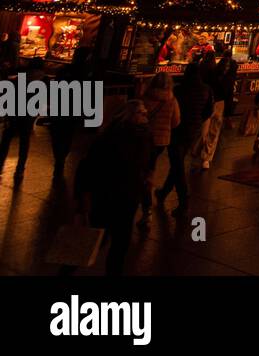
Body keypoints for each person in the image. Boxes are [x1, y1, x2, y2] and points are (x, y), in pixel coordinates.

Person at [74, 100, 152, 276]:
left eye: (145, 112)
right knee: (98, 239)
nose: (145, 116)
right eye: (141, 113)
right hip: (108, 196)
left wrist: (145, 176)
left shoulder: (144, 137)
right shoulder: (111, 138)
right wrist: (83, 199)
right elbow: (87, 168)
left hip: (126, 197)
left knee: (119, 243)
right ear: (129, 115)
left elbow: (144, 163)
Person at [157, 61, 212, 215]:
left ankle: (183, 200)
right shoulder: (206, 90)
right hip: (192, 130)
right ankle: (164, 193)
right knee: (178, 162)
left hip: (177, 129)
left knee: (177, 164)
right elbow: (208, 111)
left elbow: (172, 110)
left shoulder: (179, 89)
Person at [140, 71, 180, 218]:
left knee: (143, 170)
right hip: (161, 141)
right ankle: (147, 205)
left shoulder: (146, 98)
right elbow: (176, 122)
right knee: (150, 169)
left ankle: (146, 204)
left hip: (145, 139)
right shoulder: (172, 100)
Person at [48, 48, 93, 178]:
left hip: (60, 107)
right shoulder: (85, 74)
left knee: (57, 134)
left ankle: (59, 158)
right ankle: (61, 159)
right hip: (73, 109)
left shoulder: (63, 71)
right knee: (67, 135)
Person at [0, 57, 45, 181]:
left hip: (15, 112)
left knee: (6, 139)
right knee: (24, 142)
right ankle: (20, 169)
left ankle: (0, 164)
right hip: (28, 115)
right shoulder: (43, 80)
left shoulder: (21, 77)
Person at [198, 45, 237, 169]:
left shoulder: (212, 71)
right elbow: (229, 94)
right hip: (219, 103)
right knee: (214, 131)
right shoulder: (229, 77)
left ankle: (200, 152)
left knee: (205, 127)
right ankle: (206, 157)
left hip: (210, 101)